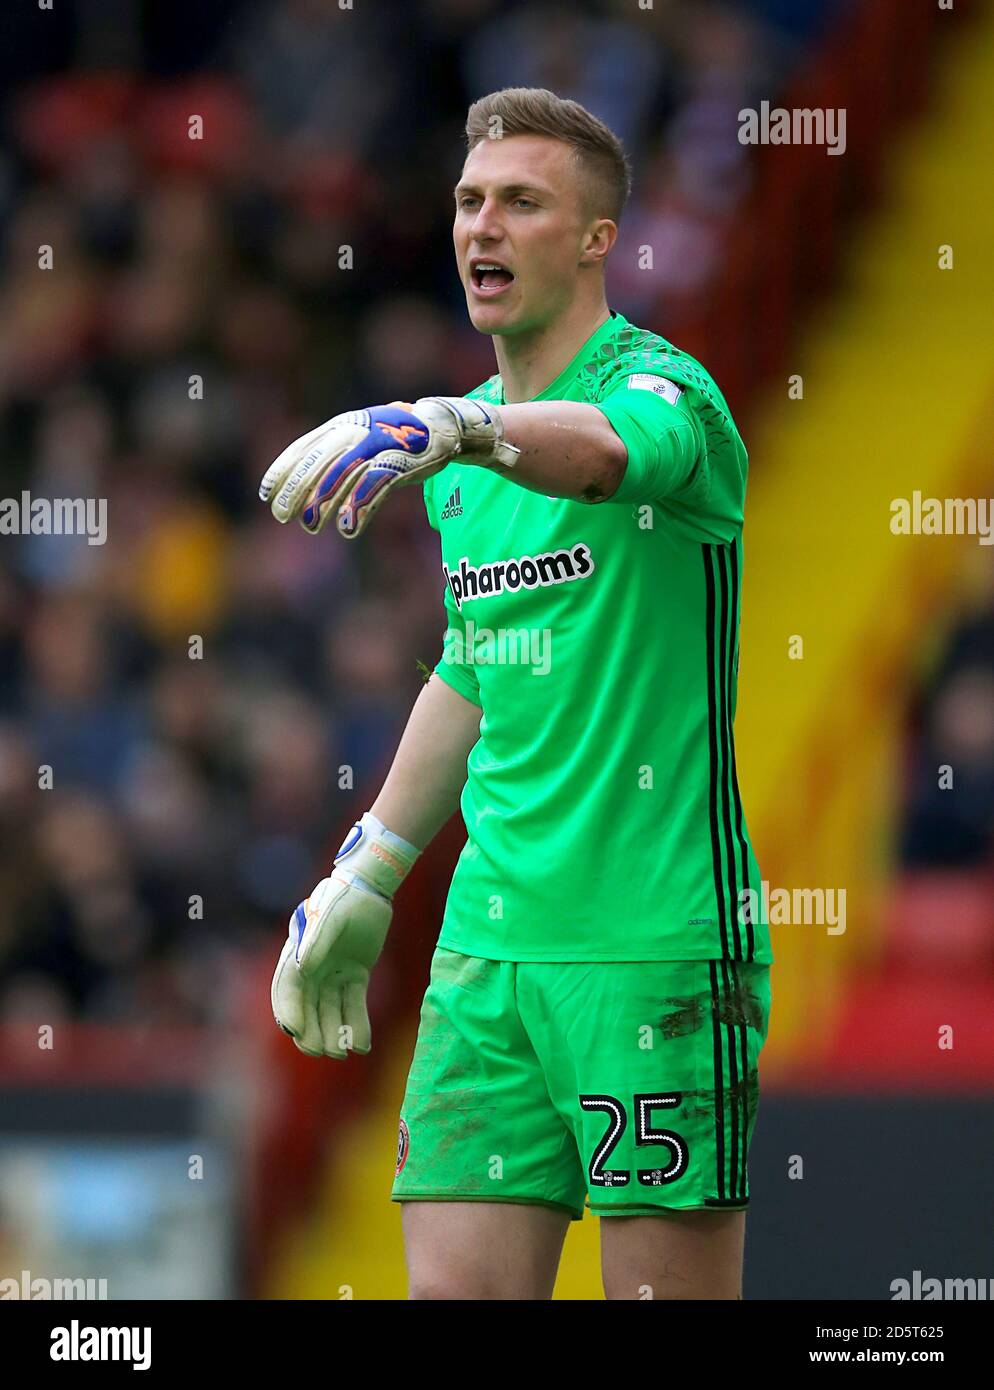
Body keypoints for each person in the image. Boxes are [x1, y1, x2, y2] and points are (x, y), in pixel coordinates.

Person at [262, 87, 773, 1301]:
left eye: (521, 203)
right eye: (469, 200)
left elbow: (608, 456)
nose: (482, 226)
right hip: (488, 950)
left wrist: (455, 427)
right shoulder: (463, 450)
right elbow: (474, 666)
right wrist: (369, 867)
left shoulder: (664, 394)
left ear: (596, 238)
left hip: (652, 948)